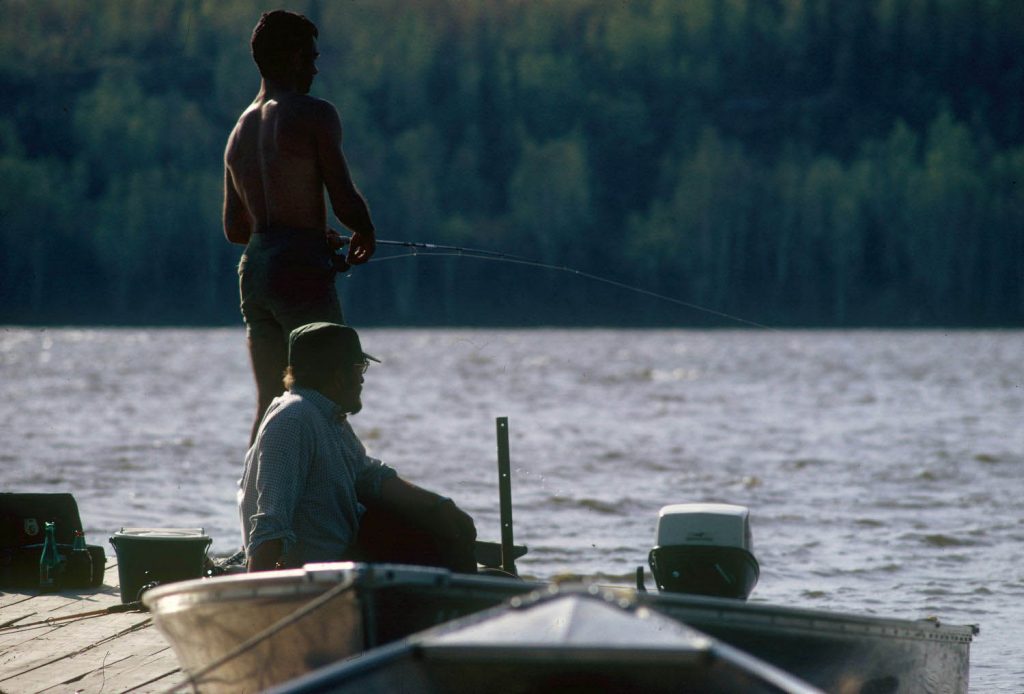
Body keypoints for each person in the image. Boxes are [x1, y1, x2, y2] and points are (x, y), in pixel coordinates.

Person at [223, 10, 377, 445]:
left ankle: (255, 504)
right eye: (310, 57)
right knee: (331, 392)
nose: (314, 67)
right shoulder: (315, 114)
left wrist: (298, 226)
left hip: (255, 271)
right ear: (291, 58)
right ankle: (340, 500)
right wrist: (363, 229)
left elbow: (236, 228)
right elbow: (343, 198)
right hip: (300, 272)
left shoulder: (239, 131)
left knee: (270, 401)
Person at [238, 322, 478, 573]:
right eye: (359, 367)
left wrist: (440, 508)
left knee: (426, 521)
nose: (362, 377)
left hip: (345, 560)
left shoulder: (328, 418)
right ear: (338, 374)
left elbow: (371, 477)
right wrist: (256, 602)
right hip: (317, 576)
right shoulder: (293, 419)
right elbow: (270, 524)